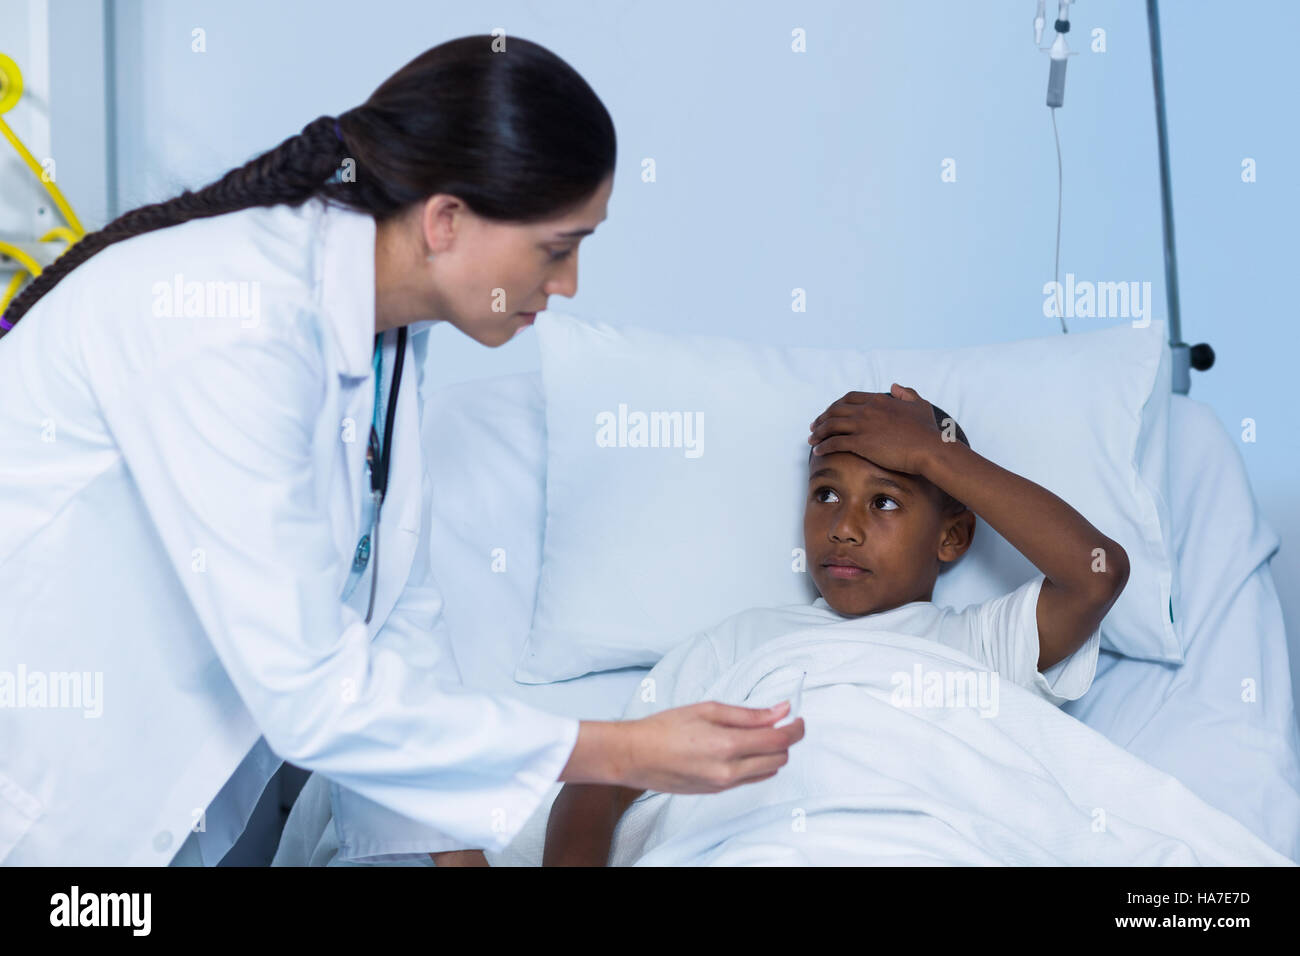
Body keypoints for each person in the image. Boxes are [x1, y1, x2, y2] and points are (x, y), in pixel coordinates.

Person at [0, 35, 802, 867]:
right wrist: (622, 751)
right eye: (557, 247)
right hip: (40, 799)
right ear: (447, 219)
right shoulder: (233, 321)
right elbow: (311, 692)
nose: (567, 286)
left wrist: (459, 858)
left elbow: (391, 622)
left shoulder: (382, 340)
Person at [542, 385, 1129, 865]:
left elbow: (1096, 575)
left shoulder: (981, 641)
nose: (844, 527)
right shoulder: (743, 643)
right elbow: (604, 773)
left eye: (886, 502)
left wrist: (935, 454)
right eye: (825, 493)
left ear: (952, 536)